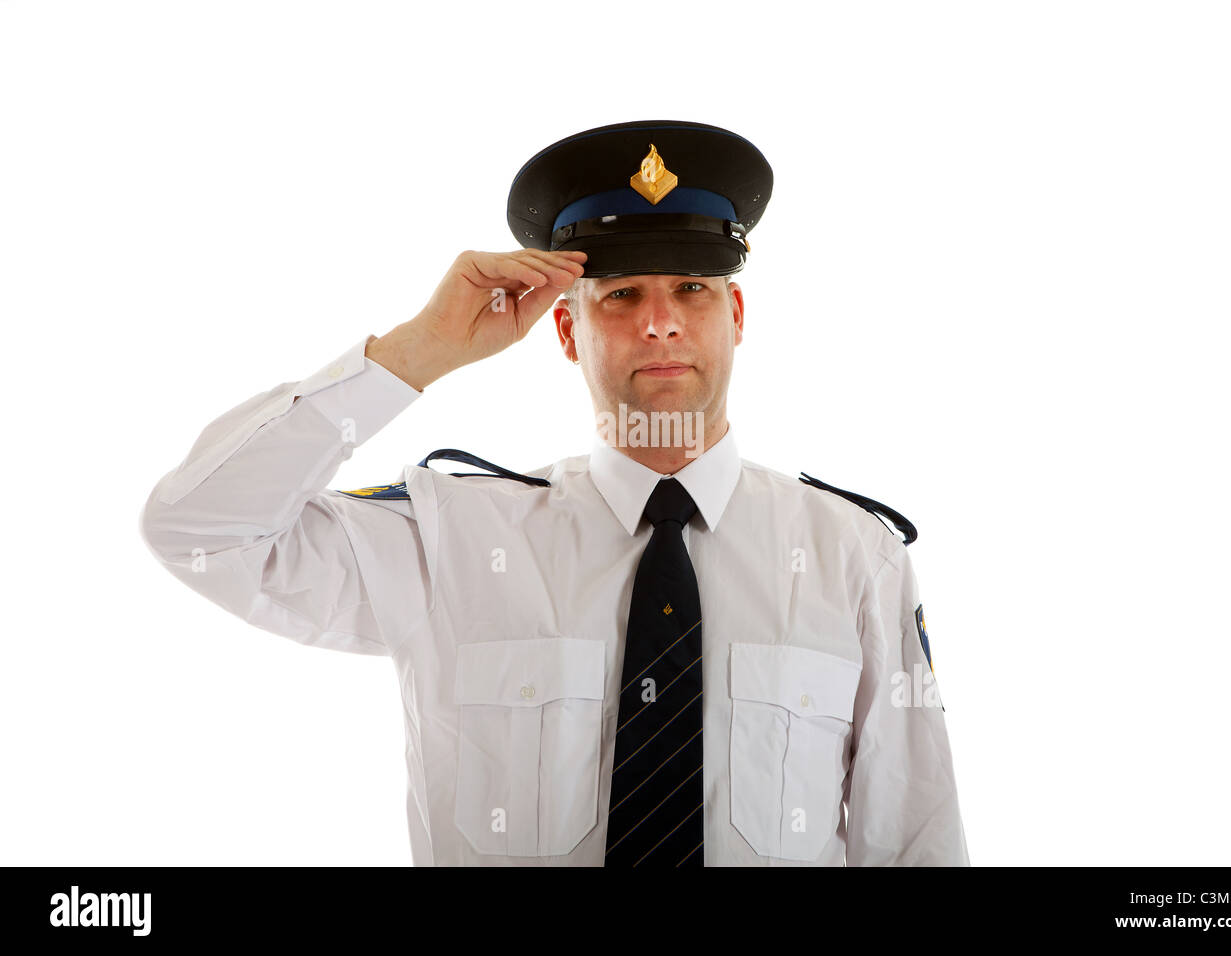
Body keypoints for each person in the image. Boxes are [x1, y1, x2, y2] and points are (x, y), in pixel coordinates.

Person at [139, 119, 970, 866]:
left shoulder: (854, 557)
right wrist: (415, 353)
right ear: (566, 330)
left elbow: (918, 845)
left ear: (736, 313)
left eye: (692, 289)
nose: (660, 322)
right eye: (620, 295)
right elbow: (200, 530)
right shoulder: (455, 538)